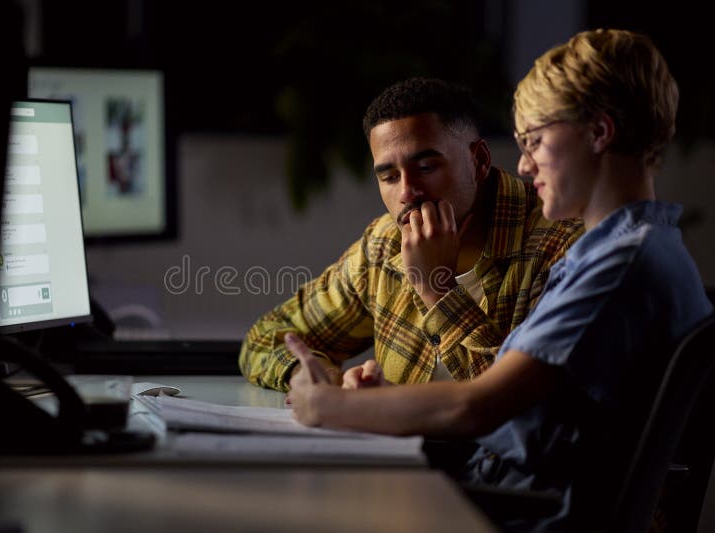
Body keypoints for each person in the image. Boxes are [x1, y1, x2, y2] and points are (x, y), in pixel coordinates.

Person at [285, 29, 713, 529]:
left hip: (515, 515)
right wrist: (383, 404)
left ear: (599, 133)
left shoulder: (620, 266)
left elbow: (476, 407)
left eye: (534, 141)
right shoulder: (629, 249)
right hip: (495, 491)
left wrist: (326, 406)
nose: (525, 166)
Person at [239, 78, 584, 392]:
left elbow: (523, 404)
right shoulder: (384, 243)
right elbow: (266, 338)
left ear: (478, 160)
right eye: (389, 177)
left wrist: (437, 289)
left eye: (425, 167)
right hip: (401, 456)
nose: (407, 192)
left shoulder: (560, 246)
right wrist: (318, 378)